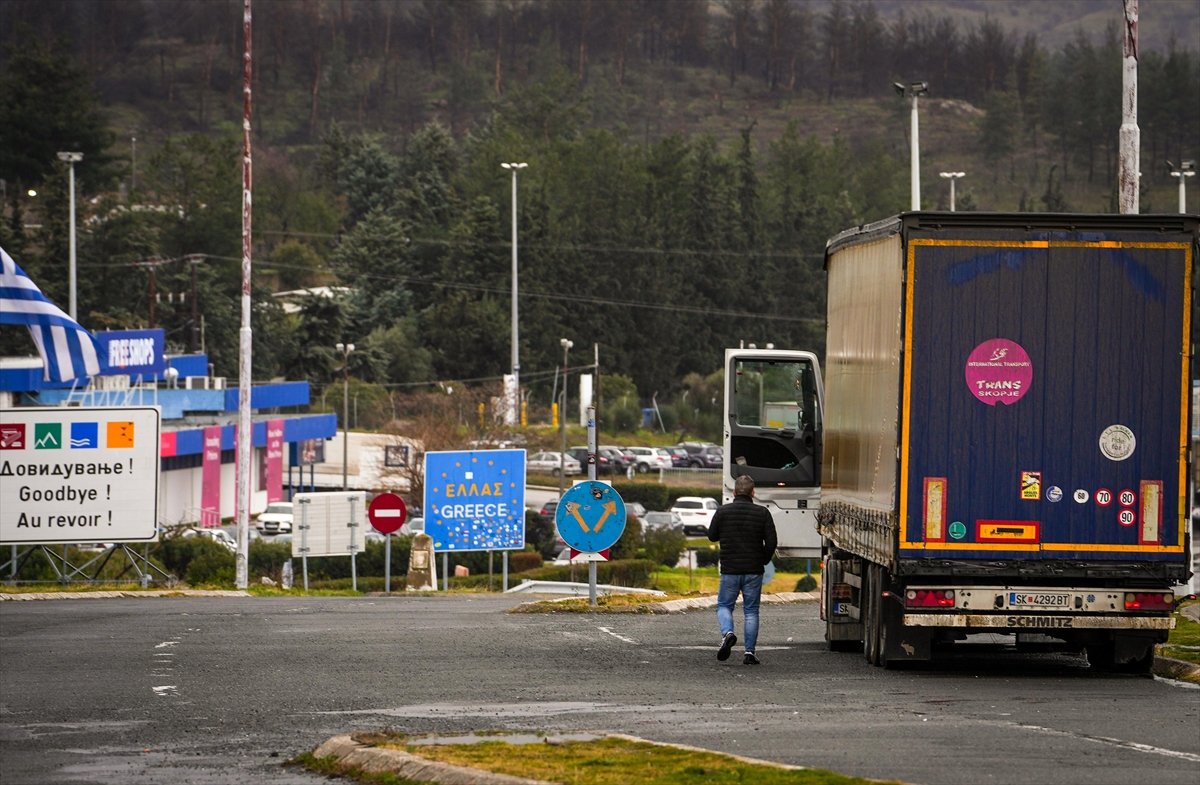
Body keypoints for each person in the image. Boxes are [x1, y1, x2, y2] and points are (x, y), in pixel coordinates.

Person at [708, 475, 777, 665]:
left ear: (734, 492)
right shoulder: (762, 513)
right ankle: (749, 653)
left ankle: (728, 633)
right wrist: (763, 559)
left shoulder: (723, 512)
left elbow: (712, 536)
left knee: (724, 605)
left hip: (730, 569)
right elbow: (772, 541)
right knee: (751, 611)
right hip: (754, 570)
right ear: (753, 493)